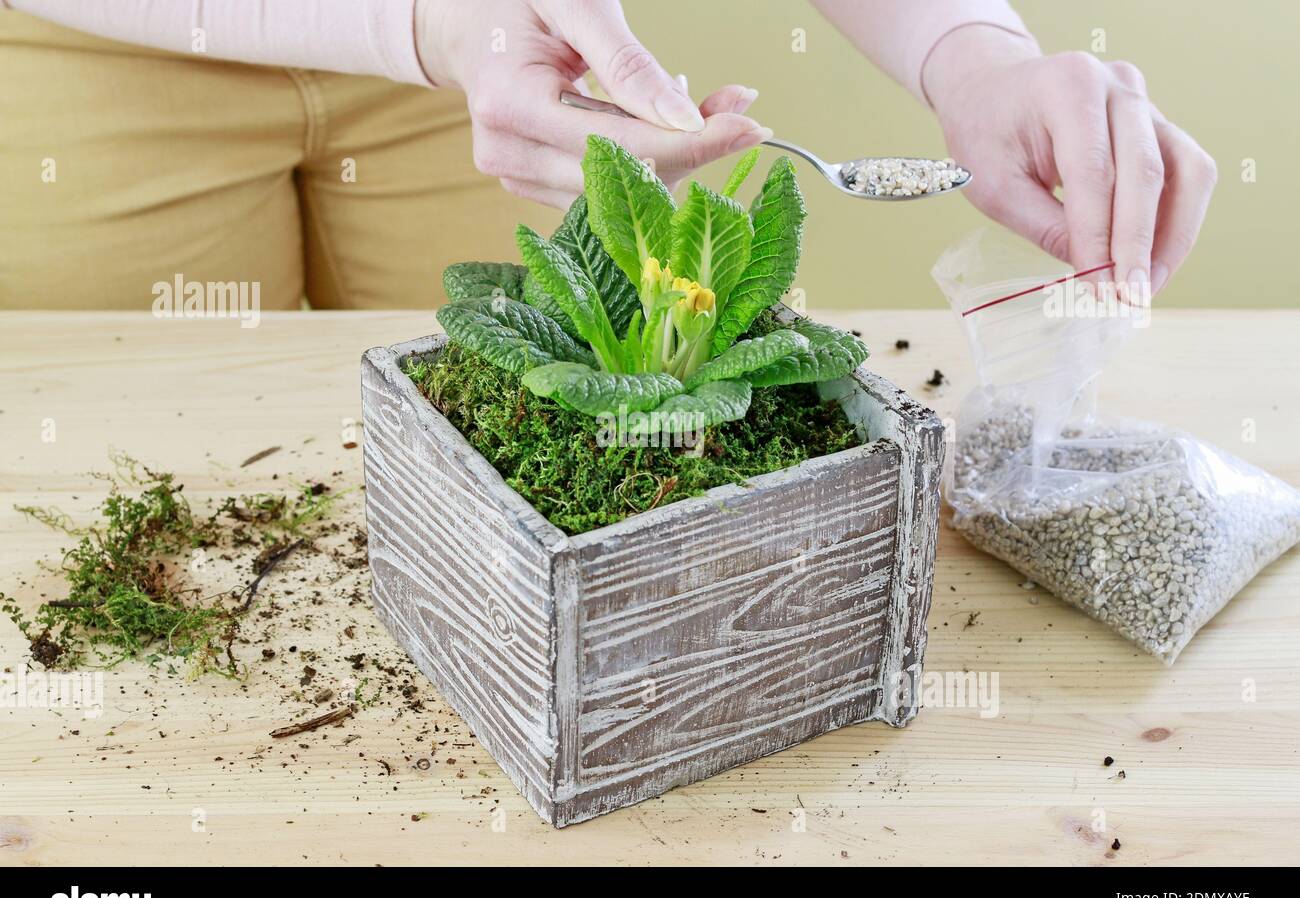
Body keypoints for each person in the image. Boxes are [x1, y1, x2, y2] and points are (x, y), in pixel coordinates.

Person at [0, 0, 1215, 310]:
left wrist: (968, 52)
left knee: (602, 444)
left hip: (521, 51)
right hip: (108, 56)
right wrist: (426, 25)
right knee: (156, 505)